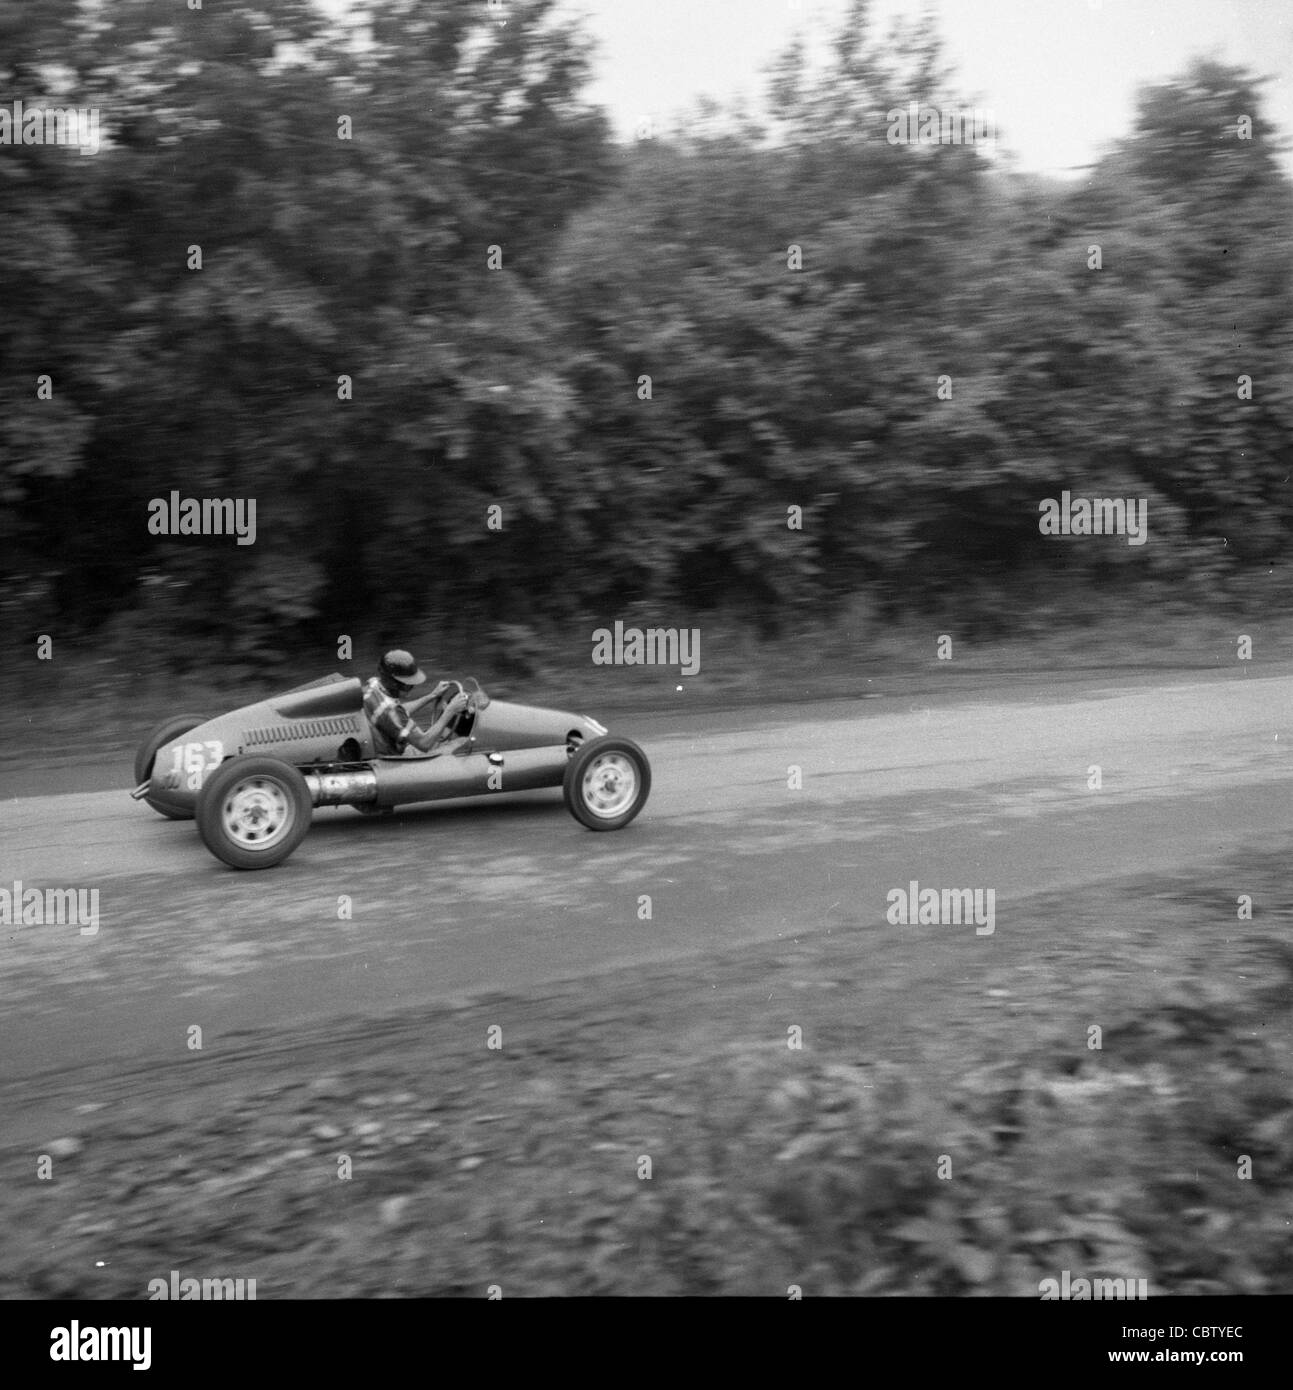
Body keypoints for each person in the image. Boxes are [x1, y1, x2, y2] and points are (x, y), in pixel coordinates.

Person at [362, 649, 470, 757]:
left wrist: (431, 696)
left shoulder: (373, 686)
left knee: (443, 735)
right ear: (394, 683)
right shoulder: (392, 712)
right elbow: (424, 743)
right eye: (408, 684)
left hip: (378, 744)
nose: (412, 687)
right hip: (392, 760)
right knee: (462, 742)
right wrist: (450, 710)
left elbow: (397, 712)